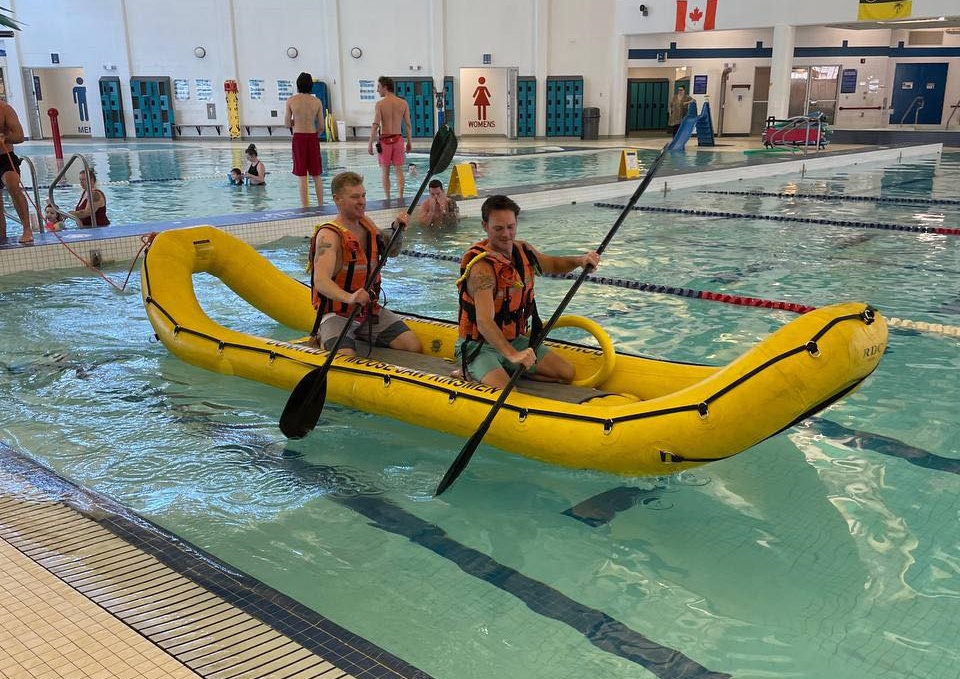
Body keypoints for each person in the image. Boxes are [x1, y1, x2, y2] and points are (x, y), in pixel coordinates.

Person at [455, 194, 600, 389]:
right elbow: (484, 322)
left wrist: (580, 261)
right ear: (485, 226)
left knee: (566, 373)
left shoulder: (523, 250)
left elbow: (553, 264)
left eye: (510, 227)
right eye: (498, 228)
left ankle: (506, 367)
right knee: (509, 392)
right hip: (480, 347)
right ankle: (470, 370)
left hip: (514, 340)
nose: (506, 234)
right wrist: (512, 355)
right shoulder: (482, 268)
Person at [307, 171, 422, 356]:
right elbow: (320, 281)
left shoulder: (366, 224)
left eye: (363, 195)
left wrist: (397, 230)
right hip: (338, 314)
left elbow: (391, 252)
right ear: (337, 199)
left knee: (412, 346)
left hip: (368, 311)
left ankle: (359, 335)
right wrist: (349, 298)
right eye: (355, 197)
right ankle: (324, 334)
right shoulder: (329, 235)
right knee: (345, 359)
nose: (362, 201)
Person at [368, 76, 412, 203]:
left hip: (385, 142)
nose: (377, 90)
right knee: (399, 171)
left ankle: (387, 199)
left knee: (385, 172)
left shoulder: (380, 104)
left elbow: (376, 124)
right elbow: (408, 124)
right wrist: (409, 141)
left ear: (385, 87)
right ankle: (400, 198)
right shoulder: (403, 103)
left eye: (378, 87)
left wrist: (370, 143)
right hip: (398, 140)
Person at [285, 71, 325, 207]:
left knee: (302, 176)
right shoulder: (317, 101)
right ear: (311, 86)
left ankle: (305, 207)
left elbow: (286, 124)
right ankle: (321, 205)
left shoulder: (291, 101)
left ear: (297, 85)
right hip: (312, 137)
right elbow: (322, 126)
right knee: (317, 175)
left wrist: (294, 121)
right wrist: (316, 135)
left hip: (298, 138)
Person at [0, 100, 33, 244]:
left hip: (5, 158)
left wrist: (5, 137)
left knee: (13, 185)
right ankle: (2, 236)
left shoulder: (5, 110)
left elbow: (19, 136)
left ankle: (27, 229)